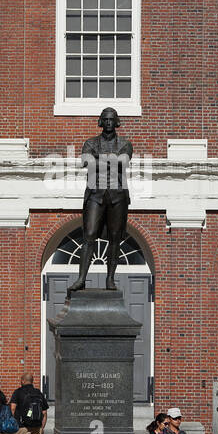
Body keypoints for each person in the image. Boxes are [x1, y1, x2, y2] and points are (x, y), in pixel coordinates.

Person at [69, 107, 134, 294]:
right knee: (89, 235)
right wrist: (110, 160)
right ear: (100, 121)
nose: (108, 122)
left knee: (115, 238)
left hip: (118, 195)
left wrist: (99, 159)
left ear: (117, 122)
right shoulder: (90, 142)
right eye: (105, 119)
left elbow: (123, 162)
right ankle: (81, 279)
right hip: (95, 194)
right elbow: (87, 162)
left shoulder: (125, 143)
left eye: (111, 119)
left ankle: (110, 279)